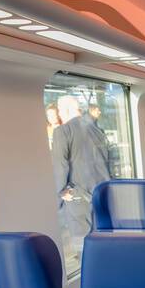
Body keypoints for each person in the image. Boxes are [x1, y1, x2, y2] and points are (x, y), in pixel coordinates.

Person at [51, 95, 112, 247]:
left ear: (65, 110)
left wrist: (58, 195)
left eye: (59, 110)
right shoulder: (97, 129)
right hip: (102, 192)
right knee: (103, 239)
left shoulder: (62, 131)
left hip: (78, 196)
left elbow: (60, 165)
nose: (59, 113)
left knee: (83, 244)